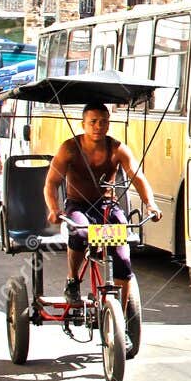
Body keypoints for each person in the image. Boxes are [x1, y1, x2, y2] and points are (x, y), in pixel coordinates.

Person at [44, 102, 160, 305]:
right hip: (77, 205)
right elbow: (51, 183)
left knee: (123, 259)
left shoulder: (117, 149)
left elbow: (138, 177)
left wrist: (151, 204)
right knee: (80, 232)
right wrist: (54, 209)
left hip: (107, 206)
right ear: (83, 124)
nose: (98, 126)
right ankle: (72, 279)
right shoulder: (70, 148)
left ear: (108, 125)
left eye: (103, 122)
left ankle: (121, 318)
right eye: (93, 122)